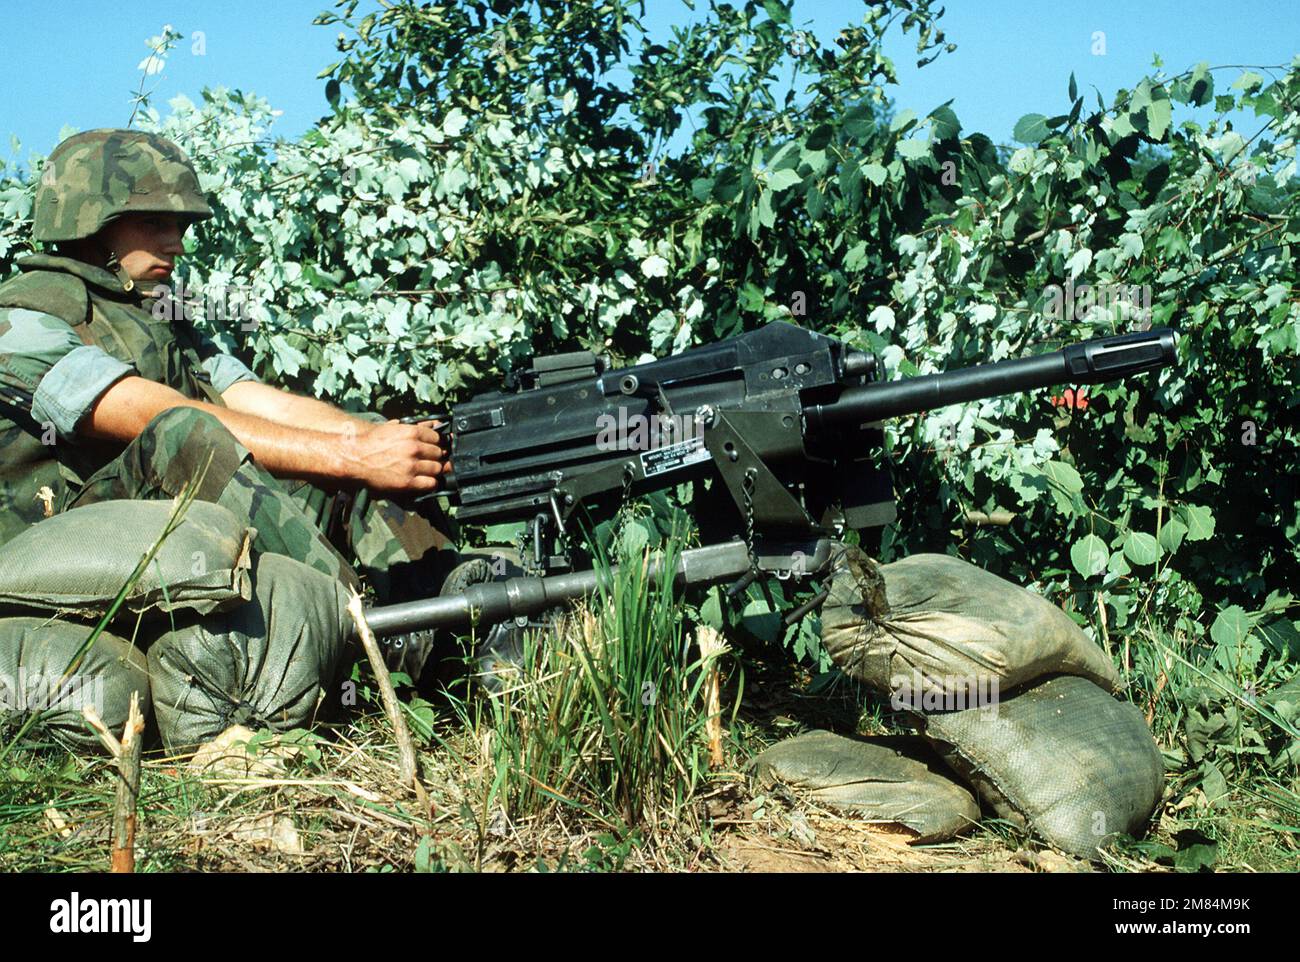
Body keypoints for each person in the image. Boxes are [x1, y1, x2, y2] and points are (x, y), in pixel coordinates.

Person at [0, 128, 460, 636]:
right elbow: (141, 413)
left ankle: (448, 616)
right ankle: (359, 637)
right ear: (91, 226)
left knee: (360, 437)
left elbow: (254, 401)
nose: (175, 242)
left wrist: (370, 442)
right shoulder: (22, 317)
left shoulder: (154, 313)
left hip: (146, 523)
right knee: (186, 433)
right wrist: (353, 455)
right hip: (57, 547)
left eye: (180, 224)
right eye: (154, 222)